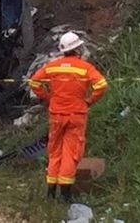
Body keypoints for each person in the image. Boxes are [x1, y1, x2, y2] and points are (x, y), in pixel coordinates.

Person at [29, 31, 108, 203]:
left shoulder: (53, 66)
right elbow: (101, 85)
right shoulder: (85, 68)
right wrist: (89, 100)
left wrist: (48, 97)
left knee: (55, 151)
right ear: (78, 49)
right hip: (76, 115)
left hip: (56, 115)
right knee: (70, 153)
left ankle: (51, 192)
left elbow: (34, 82)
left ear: (63, 50)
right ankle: (65, 194)